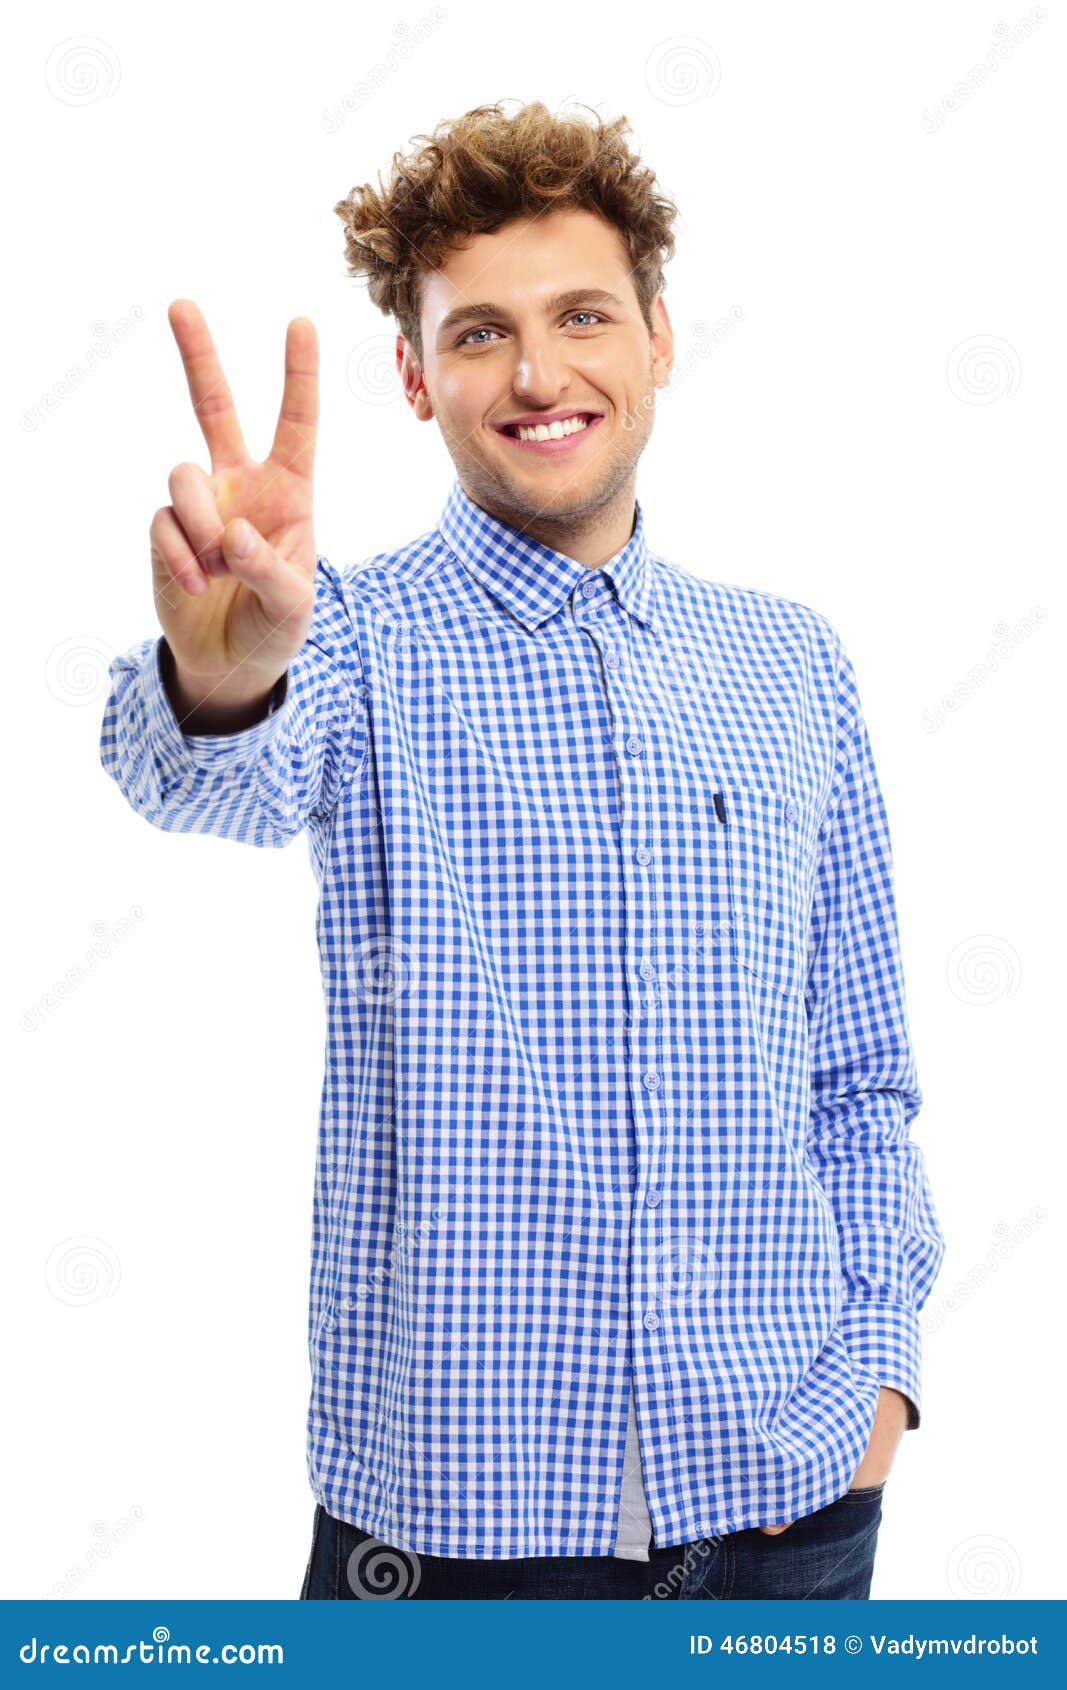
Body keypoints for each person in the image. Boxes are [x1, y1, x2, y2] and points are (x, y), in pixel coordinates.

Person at [99, 100, 944, 1600]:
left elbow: (861, 1077)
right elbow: (202, 777)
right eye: (480, 332)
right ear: (417, 375)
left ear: (660, 337)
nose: (540, 372)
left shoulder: (792, 663)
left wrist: (874, 1390)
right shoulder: (348, 639)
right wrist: (225, 667)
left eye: (581, 316)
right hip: (453, 1536)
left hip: (786, 1508)